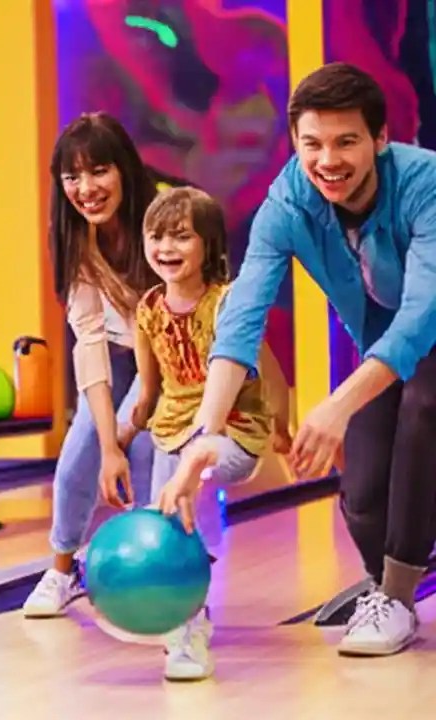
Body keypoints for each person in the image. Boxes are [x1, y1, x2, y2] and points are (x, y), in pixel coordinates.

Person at [158, 62, 436, 657]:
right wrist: (205, 434)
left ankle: (396, 593)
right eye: (312, 143)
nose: (327, 160)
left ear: (380, 139)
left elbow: (420, 316)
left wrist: (336, 405)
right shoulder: (286, 204)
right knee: (361, 499)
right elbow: (241, 320)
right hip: (378, 351)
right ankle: (395, 584)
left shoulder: (424, 182)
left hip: (426, 335)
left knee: (424, 408)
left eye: (346, 142)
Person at [118, 186, 291, 680]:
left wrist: (281, 424)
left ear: (210, 245)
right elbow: (148, 390)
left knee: (185, 497)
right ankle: (184, 625)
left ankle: (187, 629)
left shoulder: (228, 302)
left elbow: (268, 367)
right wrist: (122, 437)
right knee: (170, 527)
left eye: (181, 237)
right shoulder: (148, 310)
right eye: (156, 236)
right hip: (171, 430)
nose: (165, 248)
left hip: (233, 430)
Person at [22, 112, 160, 618]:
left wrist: (126, 436)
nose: (86, 188)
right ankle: (63, 571)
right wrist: (106, 444)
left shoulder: (161, 223)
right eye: (72, 177)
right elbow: (90, 345)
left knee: (144, 449)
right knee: (79, 452)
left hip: (176, 357)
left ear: (123, 168)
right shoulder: (77, 241)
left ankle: (156, 571)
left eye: (99, 171)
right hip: (118, 357)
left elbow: (171, 343)